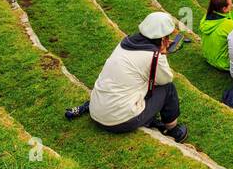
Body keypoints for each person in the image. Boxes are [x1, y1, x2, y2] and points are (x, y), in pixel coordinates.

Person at [66, 11, 188, 142]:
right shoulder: (154, 57)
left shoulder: (125, 42)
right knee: (168, 88)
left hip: (96, 110)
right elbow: (166, 79)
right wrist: (162, 53)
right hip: (119, 121)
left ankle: (146, 118)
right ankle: (172, 129)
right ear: (164, 39)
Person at [199, 0, 233, 70]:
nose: (232, 6)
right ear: (224, 9)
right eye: (230, 4)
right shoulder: (228, 24)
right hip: (222, 63)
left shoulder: (207, 16)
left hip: (207, 56)